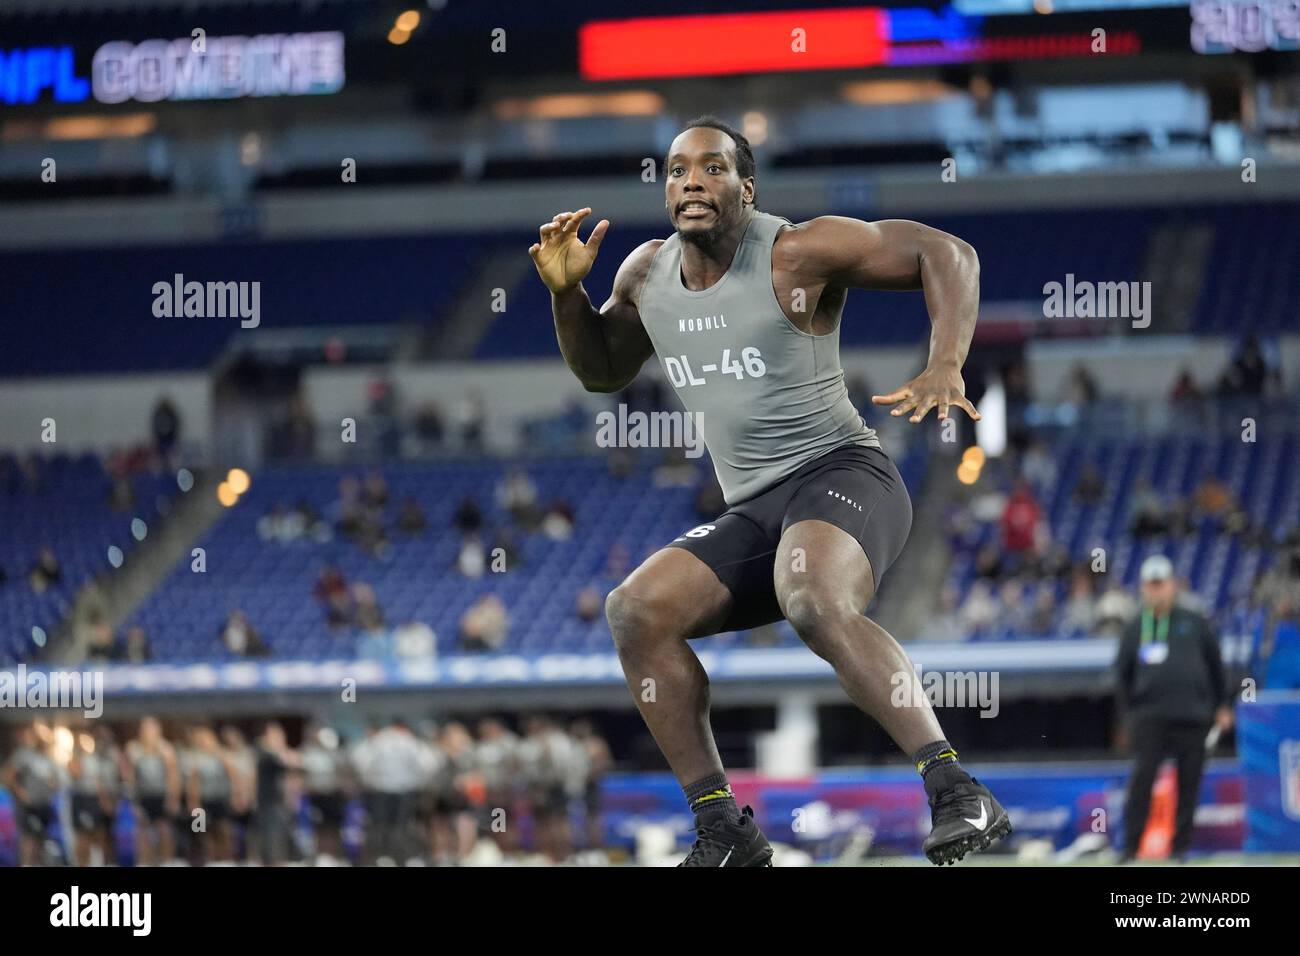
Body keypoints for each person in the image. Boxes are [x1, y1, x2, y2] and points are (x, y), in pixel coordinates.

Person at [529, 115, 1005, 866]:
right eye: (677, 170)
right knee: (636, 611)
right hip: (754, 507)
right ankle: (725, 829)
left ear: (746, 189)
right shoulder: (644, 274)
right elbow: (602, 372)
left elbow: (946, 251)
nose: (691, 180)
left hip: (845, 474)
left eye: (712, 168)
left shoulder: (795, 252)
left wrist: (947, 360)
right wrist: (566, 296)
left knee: (810, 594)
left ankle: (956, 790)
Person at [1114, 555, 1233, 862]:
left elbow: (1216, 666)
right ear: (1143, 588)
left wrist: (1222, 704)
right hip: (1149, 718)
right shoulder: (1134, 627)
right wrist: (1128, 715)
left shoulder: (1194, 622)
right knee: (1141, 781)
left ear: (1172, 585)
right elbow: (1122, 675)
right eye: (1150, 585)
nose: (1156, 591)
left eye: (1161, 584)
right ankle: (1130, 849)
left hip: (1193, 716)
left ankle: (1180, 850)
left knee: (1189, 783)